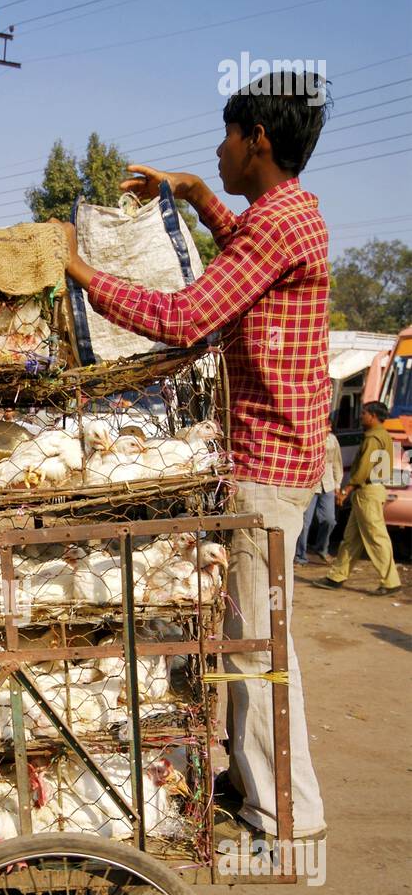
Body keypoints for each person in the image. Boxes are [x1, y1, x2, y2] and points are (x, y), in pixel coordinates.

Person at [60, 70, 330, 844]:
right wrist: (191, 193)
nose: (218, 150)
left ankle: (285, 812)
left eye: (226, 137)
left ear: (259, 142)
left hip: (267, 468)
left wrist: (84, 275)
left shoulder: (279, 226)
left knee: (255, 647)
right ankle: (258, 786)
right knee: (254, 636)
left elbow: (188, 318)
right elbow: (244, 243)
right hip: (279, 460)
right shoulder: (286, 214)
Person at [315, 400, 401, 596]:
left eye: (364, 413)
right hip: (372, 491)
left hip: (368, 492)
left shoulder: (372, 438)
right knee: (350, 539)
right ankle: (336, 577)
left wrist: (347, 489)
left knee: (376, 537)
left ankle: (390, 581)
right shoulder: (383, 435)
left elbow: (363, 469)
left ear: (373, 415)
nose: (361, 416)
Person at [295, 426, 343, 564]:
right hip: (310, 485)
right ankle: (300, 556)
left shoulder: (332, 440)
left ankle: (322, 549)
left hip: (328, 484)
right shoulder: (309, 438)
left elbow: (336, 463)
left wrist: (338, 485)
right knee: (305, 523)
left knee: (329, 520)